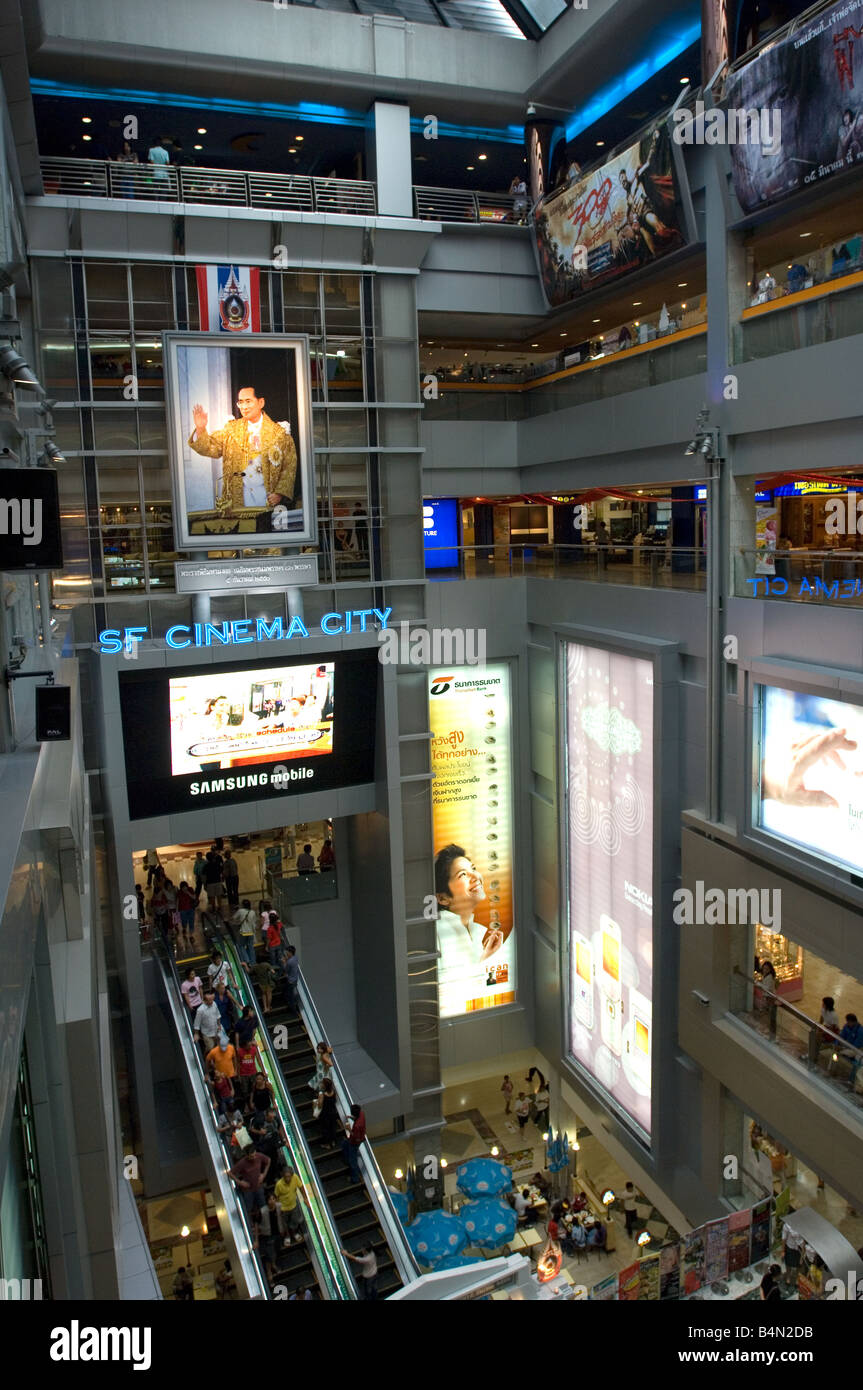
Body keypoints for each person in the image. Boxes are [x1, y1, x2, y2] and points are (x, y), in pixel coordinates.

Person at [189, 385, 297, 529]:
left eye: (248, 401)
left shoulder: (279, 433)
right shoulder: (231, 430)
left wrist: (279, 493)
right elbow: (211, 448)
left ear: (261, 402)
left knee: (267, 541)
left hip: (266, 498)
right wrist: (201, 429)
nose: (244, 406)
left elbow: (289, 466)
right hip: (239, 497)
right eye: (240, 402)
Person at [434, 843, 505, 1015]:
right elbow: (446, 1001)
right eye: (463, 874)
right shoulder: (437, 932)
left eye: (473, 868)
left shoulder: (478, 932)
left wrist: (488, 959)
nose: (475, 876)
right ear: (443, 898)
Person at [229, 1145, 270, 1218]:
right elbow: (230, 1173)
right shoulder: (242, 1162)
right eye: (251, 1156)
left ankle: (263, 1220)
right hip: (248, 1190)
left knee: (263, 1205)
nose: (254, 1158)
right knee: (248, 1208)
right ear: (247, 1155)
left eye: (254, 1155)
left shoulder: (259, 1156)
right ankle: (251, 1223)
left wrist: (264, 1174)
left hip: (258, 1186)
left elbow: (268, 1160)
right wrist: (240, 1182)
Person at [255, 1193, 287, 1281]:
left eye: (273, 1199)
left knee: (276, 1251)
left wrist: (284, 1230)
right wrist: (256, 1240)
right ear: (267, 1201)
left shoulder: (279, 1206)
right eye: (270, 1199)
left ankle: (273, 1265)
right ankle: (269, 1273)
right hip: (268, 1236)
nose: (272, 1201)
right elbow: (257, 1224)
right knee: (269, 1255)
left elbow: (283, 1218)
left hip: (278, 1234)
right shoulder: (262, 1211)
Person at [274, 1166, 305, 1246]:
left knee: (294, 1221)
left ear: (292, 1175)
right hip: (283, 1208)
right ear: (283, 1176)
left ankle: (294, 1233)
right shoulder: (279, 1184)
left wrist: (305, 1198)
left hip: (293, 1205)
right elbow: (276, 1197)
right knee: (285, 1223)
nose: (287, 1179)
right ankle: (287, 1236)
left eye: (289, 1176)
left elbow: (301, 1187)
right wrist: (278, 1208)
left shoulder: (295, 1178)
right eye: (286, 1177)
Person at [341, 1103, 365, 1184]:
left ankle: (355, 1179)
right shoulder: (361, 1114)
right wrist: (351, 1118)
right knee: (344, 1144)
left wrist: (349, 1130)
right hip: (354, 1139)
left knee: (353, 1160)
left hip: (354, 1143)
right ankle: (346, 1159)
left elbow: (356, 1138)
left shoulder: (357, 1126)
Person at [231, 898, 258, 968]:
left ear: (243, 905)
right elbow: (254, 923)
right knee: (251, 947)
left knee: (241, 946)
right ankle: (253, 962)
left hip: (243, 932)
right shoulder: (253, 912)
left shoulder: (240, 911)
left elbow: (234, 918)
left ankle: (247, 960)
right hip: (251, 933)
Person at [193, 990, 222, 1055]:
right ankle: (208, 1059)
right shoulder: (200, 1010)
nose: (211, 1001)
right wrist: (196, 1034)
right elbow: (197, 1023)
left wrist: (219, 1025)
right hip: (207, 1033)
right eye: (209, 1000)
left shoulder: (214, 1004)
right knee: (211, 1048)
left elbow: (218, 1015)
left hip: (215, 1030)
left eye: (212, 999)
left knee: (219, 1046)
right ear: (205, 1001)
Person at [316, 1078, 341, 1149]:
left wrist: (318, 1101)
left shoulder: (323, 1095)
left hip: (325, 1114)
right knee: (332, 1128)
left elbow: (320, 1105)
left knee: (326, 1129)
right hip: (332, 1112)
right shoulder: (333, 1092)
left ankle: (327, 1144)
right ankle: (333, 1141)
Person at [176, 881, 196, 946]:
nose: (185, 889)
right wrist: (176, 911)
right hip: (182, 910)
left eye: (186, 887)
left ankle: (191, 936)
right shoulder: (179, 892)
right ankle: (184, 928)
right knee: (184, 921)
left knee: (191, 921)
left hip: (191, 909)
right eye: (183, 888)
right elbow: (177, 902)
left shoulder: (190, 889)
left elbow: (194, 897)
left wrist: (188, 893)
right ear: (181, 888)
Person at [283, 944, 300, 1012]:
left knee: (290, 996)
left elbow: (286, 970)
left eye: (287, 952)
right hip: (295, 978)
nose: (286, 954)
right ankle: (292, 1005)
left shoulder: (289, 962)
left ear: (290, 952)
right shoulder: (295, 957)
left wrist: (284, 962)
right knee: (289, 992)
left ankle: (292, 1008)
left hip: (290, 981)